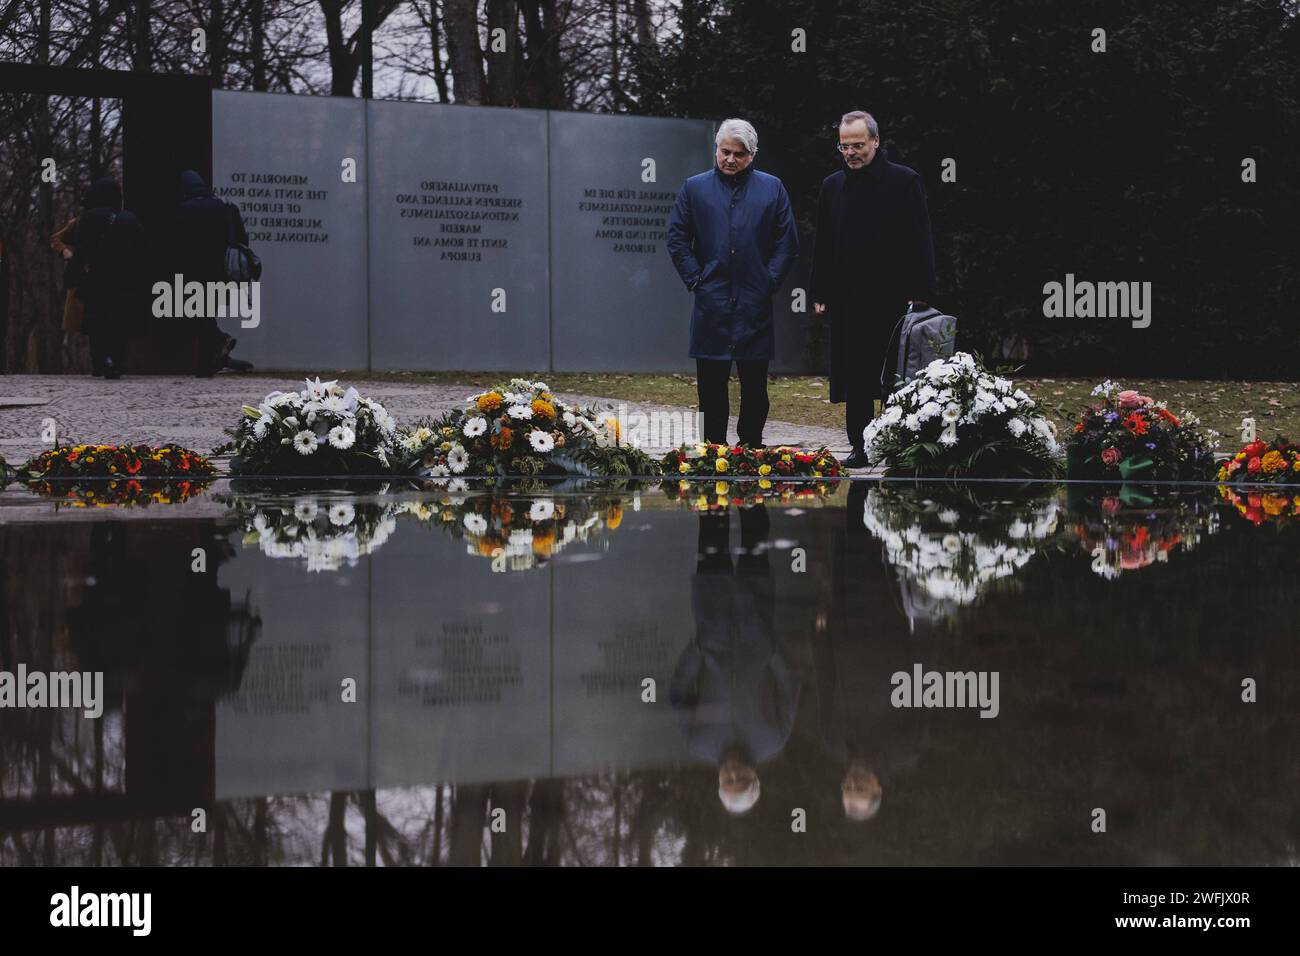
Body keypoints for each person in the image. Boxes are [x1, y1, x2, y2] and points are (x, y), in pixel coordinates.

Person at [811, 111, 937, 468]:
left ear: (876, 142)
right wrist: (819, 290)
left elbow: (920, 239)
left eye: (858, 145)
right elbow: (824, 243)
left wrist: (922, 293)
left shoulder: (904, 181)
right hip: (848, 297)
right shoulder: (832, 185)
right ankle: (861, 444)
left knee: (898, 375)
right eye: (845, 146)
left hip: (894, 298)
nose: (851, 152)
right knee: (856, 375)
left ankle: (899, 444)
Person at [667, 119, 799, 448]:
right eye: (725, 151)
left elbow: (787, 241)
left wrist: (768, 281)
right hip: (711, 300)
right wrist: (696, 278)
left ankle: (751, 445)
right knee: (711, 383)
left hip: (754, 300)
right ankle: (714, 448)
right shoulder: (694, 188)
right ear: (716, 149)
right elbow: (677, 237)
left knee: (754, 384)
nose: (730, 159)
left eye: (739, 154)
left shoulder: (772, 188)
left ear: (752, 155)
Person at [670, 504, 798, 817]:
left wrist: (696, 650)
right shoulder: (773, 740)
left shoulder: (698, 743)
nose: (733, 774)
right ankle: (751, 477)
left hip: (711, 625)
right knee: (755, 540)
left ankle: (713, 481)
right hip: (755, 626)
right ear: (754, 777)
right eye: (741, 780)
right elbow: (789, 688)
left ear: (719, 780)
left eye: (729, 781)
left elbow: (679, 695)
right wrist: (772, 651)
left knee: (712, 539)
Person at [173, 170, 252, 375]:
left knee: (195, 313)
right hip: (222, 271)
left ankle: (219, 339)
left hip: (194, 270)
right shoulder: (225, 206)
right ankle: (206, 364)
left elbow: (178, 244)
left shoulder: (184, 209)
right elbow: (242, 239)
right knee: (207, 313)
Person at [71, 178, 148, 379]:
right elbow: (142, 251)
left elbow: (80, 251)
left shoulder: (88, 218)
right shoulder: (129, 218)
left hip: (97, 278)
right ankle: (117, 361)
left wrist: (74, 275)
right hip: (124, 280)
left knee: (97, 322)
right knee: (119, 322)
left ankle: (100, 362)